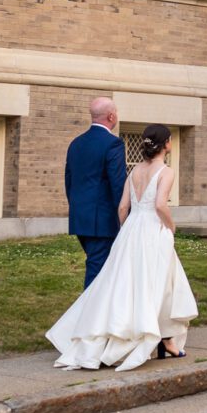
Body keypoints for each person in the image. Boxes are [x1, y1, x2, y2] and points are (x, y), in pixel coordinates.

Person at [47, 123, 199, 371]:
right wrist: (171, 226)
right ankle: (161, 339)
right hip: (153, 229)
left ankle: (159, 340)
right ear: (166, 144)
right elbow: (160, 205)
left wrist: (126, 229)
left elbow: (122, 207)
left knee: (123, 284)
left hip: (130, 229)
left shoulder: (135, 170)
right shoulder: (166, 172)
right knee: (158, 285)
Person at [64, 97, 128, 290]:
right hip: (103, 220)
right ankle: (89, 308)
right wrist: (125, 216)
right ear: (111, 116)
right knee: (98, 271)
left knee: (98, 265)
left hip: (80, 218)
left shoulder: (76, 143)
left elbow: (69, 181)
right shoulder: (113, 144)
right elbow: (118, 185)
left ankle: (102, 306)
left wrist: (77, 208)